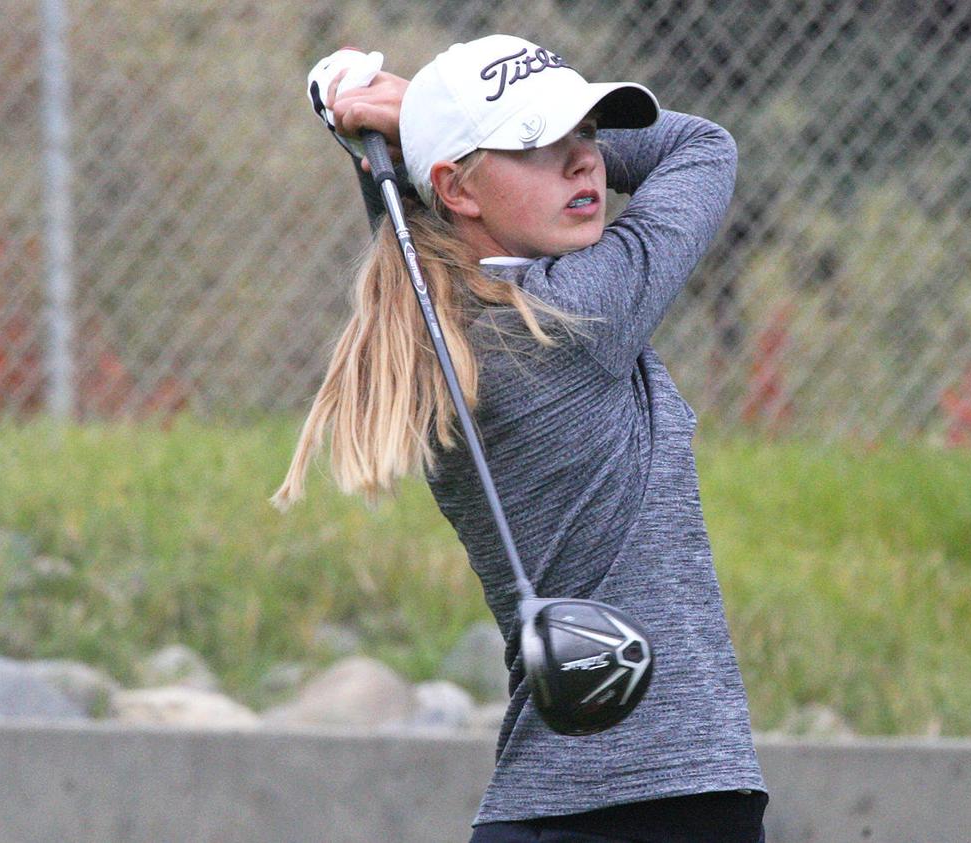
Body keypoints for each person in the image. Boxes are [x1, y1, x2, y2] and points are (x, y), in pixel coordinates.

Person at [274, 33, 768, 842]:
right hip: (661, 803)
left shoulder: (444, 324)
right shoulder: (575, 317)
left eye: (588, 133)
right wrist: (414, 112)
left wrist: (420, 136)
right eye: (537, 143)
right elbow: (700, 146)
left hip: (547, 807)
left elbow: (416, 224)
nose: (584, 163)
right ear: (455, 188)